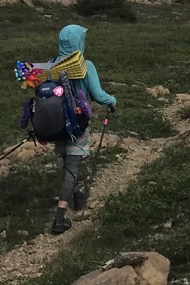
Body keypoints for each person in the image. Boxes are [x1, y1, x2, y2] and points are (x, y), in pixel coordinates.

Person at [50, 23, 117, 235]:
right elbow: (98, 95)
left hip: (55, 124)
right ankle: (59, 217)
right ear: (79, 42)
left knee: (68, 164)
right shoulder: (85, 65)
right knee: (72, 167)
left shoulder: (52, 64)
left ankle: (77, 195)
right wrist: (112, 101)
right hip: (77, 124)